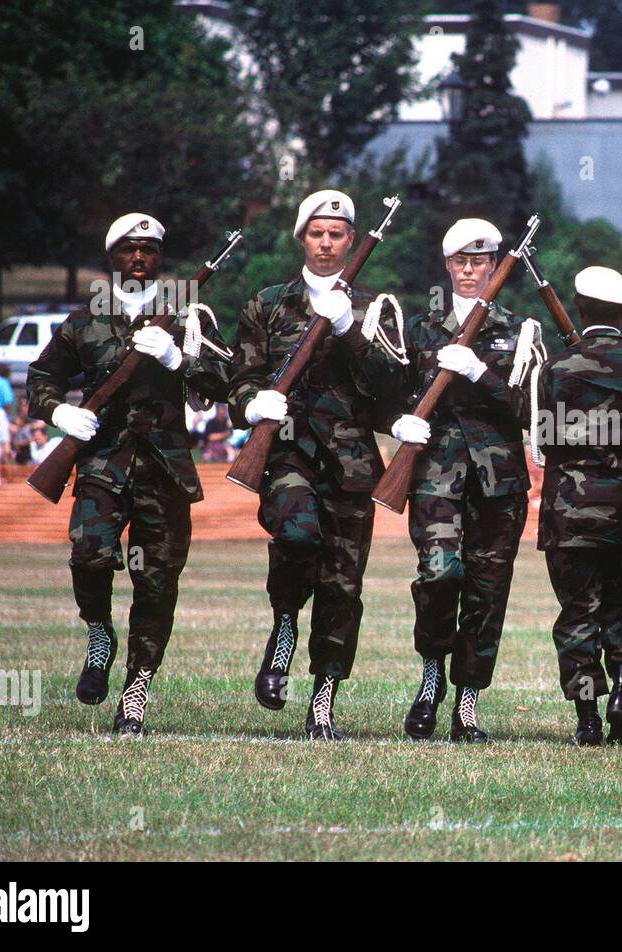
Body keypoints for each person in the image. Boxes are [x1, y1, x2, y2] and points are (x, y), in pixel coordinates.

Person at [27, 212, 233, 736]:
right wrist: (59, 414)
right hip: (102, 463)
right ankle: (99, 633)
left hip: (165, 468)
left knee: (157, 581)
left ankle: (136, 688)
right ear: (112, 256)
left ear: (160, 258)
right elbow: (41, 377)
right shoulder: (84, 319)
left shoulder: (189, 315)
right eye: (127, 249)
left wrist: (175, 360)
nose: (138, 257)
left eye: (148, 249)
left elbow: (223, 380)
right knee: (89, 555)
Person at [228, 189, 405, 741]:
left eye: (337, 234)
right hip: (286, 453)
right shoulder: (268, 303)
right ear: (301, 238)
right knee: (297, 534)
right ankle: (284, 626)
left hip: (351, 463)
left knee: (342, 586)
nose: (326, 243)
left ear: (352, 241)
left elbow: (392, 386)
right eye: (316, 233)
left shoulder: (377, 308)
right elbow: (239, 379)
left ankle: (323, 699)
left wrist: (351, 329)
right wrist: (251, 404)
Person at [391, 218, 537, 744]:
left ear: (496, 265)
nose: (471, 270)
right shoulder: (419, 328)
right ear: (447, 266)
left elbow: (532, 410)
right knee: (439, 574)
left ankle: (467, 701)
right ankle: (432, 676)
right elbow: (390, 393)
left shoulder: (521, 332)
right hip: (434, 477)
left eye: (482, 261)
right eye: (462, 261)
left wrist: (481, 374)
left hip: (498, 484)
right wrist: (398, 421)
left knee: (486, 589)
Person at [534, 266, 622, 746]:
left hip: (569, 515)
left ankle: (588, 718)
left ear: (580, 309)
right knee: (619, 608)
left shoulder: (555, 367)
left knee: (577, 613)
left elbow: (545, 442)